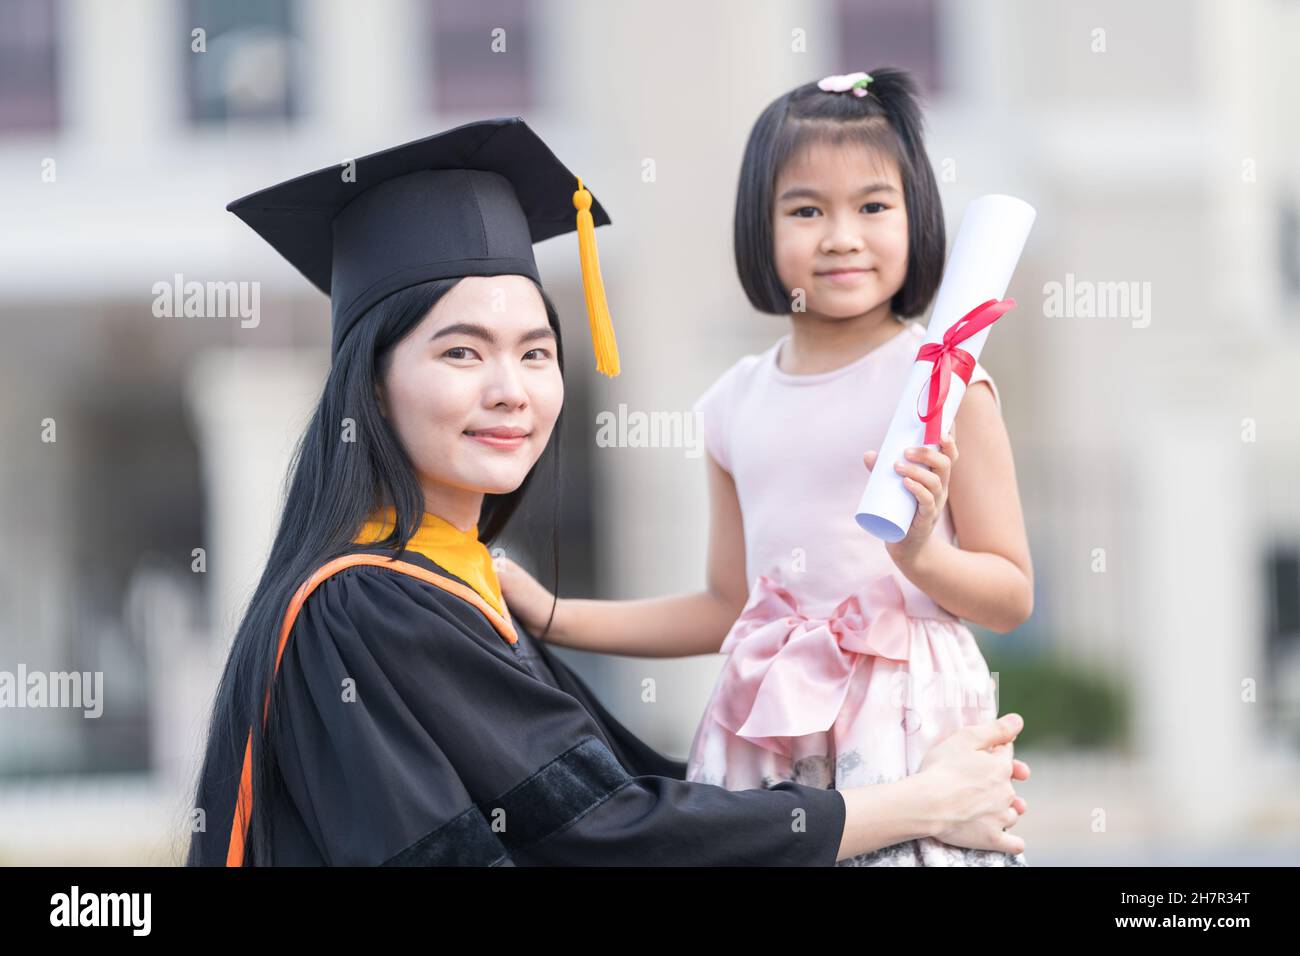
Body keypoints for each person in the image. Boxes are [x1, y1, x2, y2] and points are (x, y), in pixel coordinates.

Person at [185, 116, 1030, 866]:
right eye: (460, 352)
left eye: (536, 351)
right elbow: (603, 831)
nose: (512, 388)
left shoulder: (450, 586)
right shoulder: (366, 605)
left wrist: (865, 793)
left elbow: (619, 793)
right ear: (371, 387)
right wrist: (908, 807)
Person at [498, 70, 1035, 866]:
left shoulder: (941, 382)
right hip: (767, 716)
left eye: (874, 206)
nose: (842, 235)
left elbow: (1011, 593)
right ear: (761, 226)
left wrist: (922, 556)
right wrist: (552, 615)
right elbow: (727, 607)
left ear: (917, 217)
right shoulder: (733, 403)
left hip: (904, 722)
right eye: (807, 209)